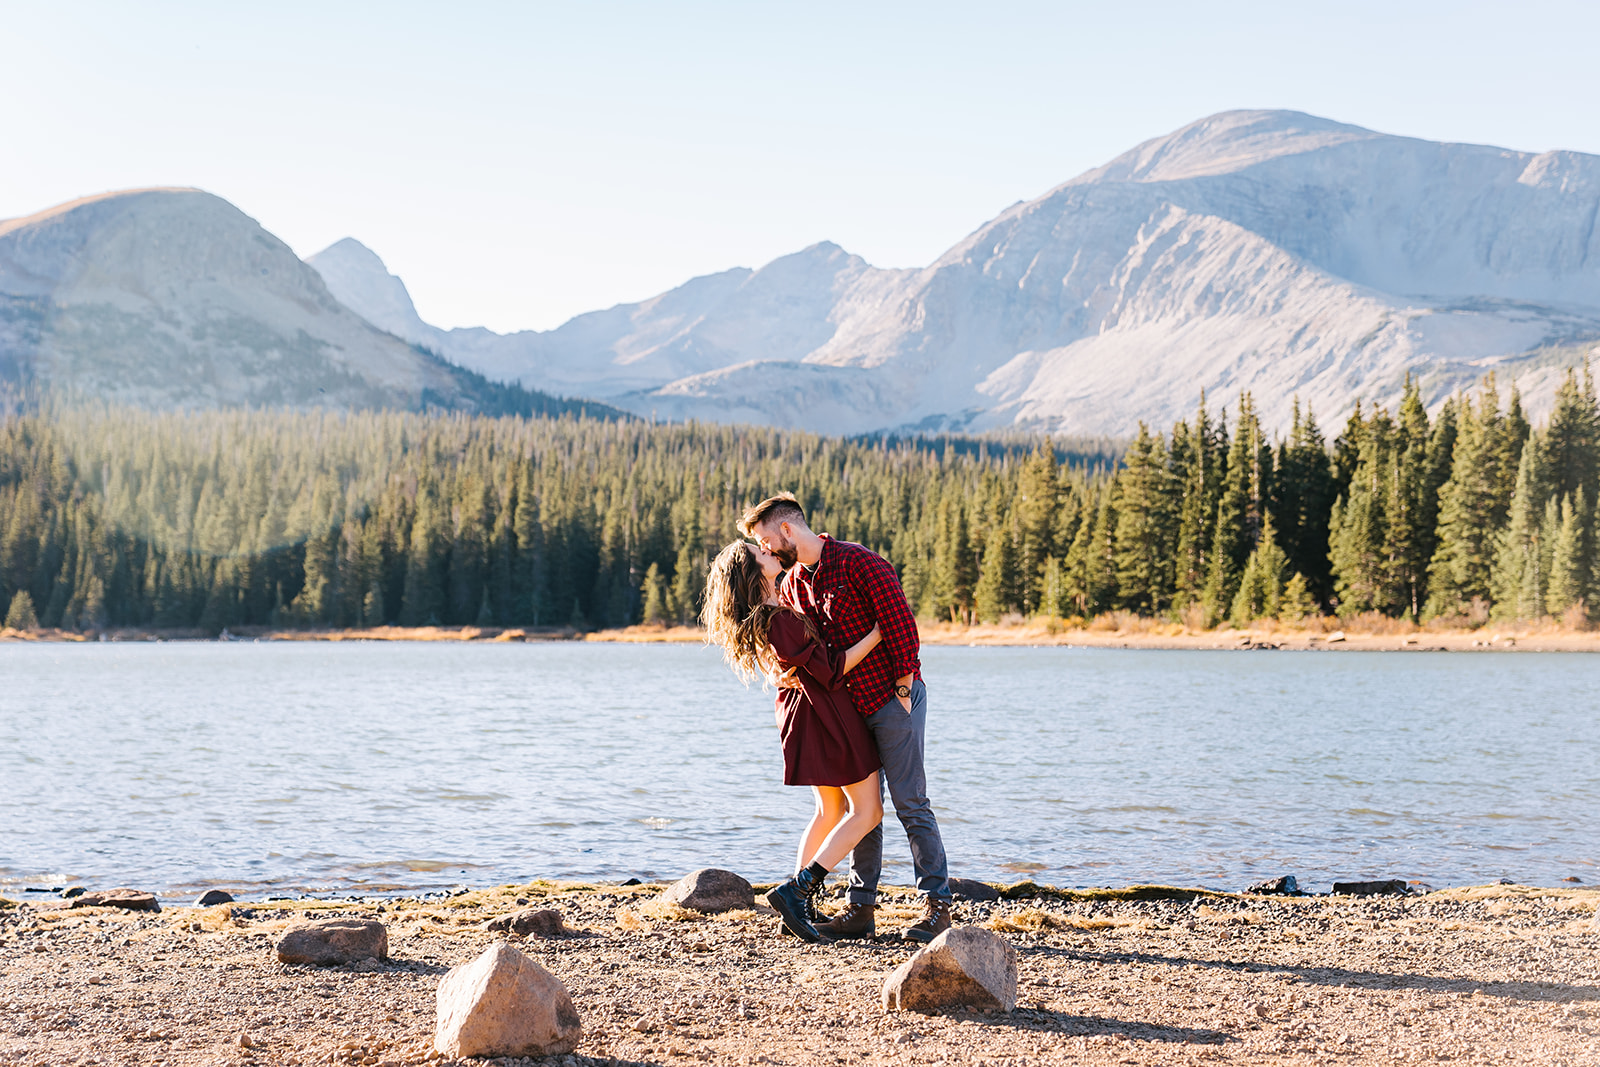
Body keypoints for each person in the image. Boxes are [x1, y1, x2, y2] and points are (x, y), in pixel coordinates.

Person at [740, 492, 953, 943]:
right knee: (865, 811)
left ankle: (937, 907)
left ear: (786, 530)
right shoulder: (794, 583)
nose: (766, 549)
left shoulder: (860, 563)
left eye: (764, 539)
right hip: (849, 712)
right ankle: (861, 909)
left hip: (893, 700)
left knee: (910, 803)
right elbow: (811, 653)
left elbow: (902, 627)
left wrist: (902, 687)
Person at [701, 538, 886, 943]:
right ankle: (797, 891)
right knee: (868, 811)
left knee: (831, 808)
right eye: (760, 553)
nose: (769, 552)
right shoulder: (776, 618)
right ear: (752, 572)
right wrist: (876, 633)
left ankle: (797, 908)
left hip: (807, 710)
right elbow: (832, 670)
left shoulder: (772, 611)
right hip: (825, 714)